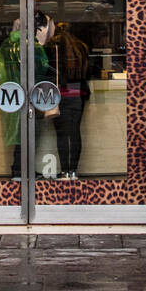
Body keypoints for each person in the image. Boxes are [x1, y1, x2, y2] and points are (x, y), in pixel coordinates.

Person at [0, 12, 53, 178]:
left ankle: (18, 169)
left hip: (12, 95)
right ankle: (22, 170)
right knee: (30, 134)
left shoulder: (6, 45)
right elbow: (43, 68)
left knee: (19, 134)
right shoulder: (33, 46)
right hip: (30, 95)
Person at [47, 21, 91, 180]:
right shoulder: (82, 46)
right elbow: (89, 72)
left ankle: (65, 171)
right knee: (75, 132)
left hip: (61, 94)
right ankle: (73, 171)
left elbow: (48, 71)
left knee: (62, 135)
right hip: (78, 93)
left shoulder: (54, 45)